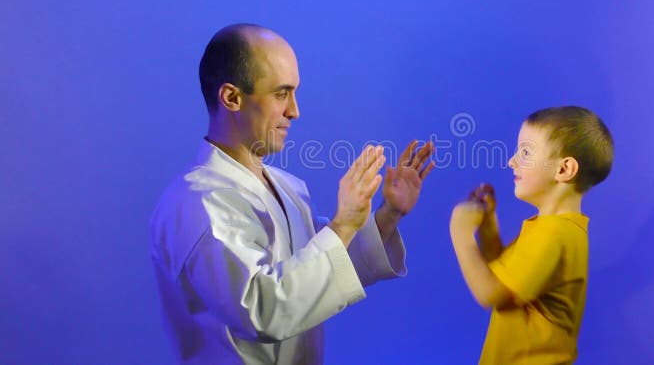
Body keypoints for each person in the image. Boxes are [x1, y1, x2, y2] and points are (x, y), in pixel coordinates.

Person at [150, 24, 434, 364]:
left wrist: (387, 214)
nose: (294, 111)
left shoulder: (287, 187)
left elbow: (320, 275)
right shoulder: (197, 204)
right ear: (232, 98)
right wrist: (342, 225)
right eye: (281, 94)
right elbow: (263, 311)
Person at [449, 106, 613, 364]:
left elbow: (490, 294)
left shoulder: (552, 233)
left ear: (563, 170)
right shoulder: (560, 228)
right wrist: (489, 226)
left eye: (525, 152)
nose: (511, 161)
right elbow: (508, 282)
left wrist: (460, 234)